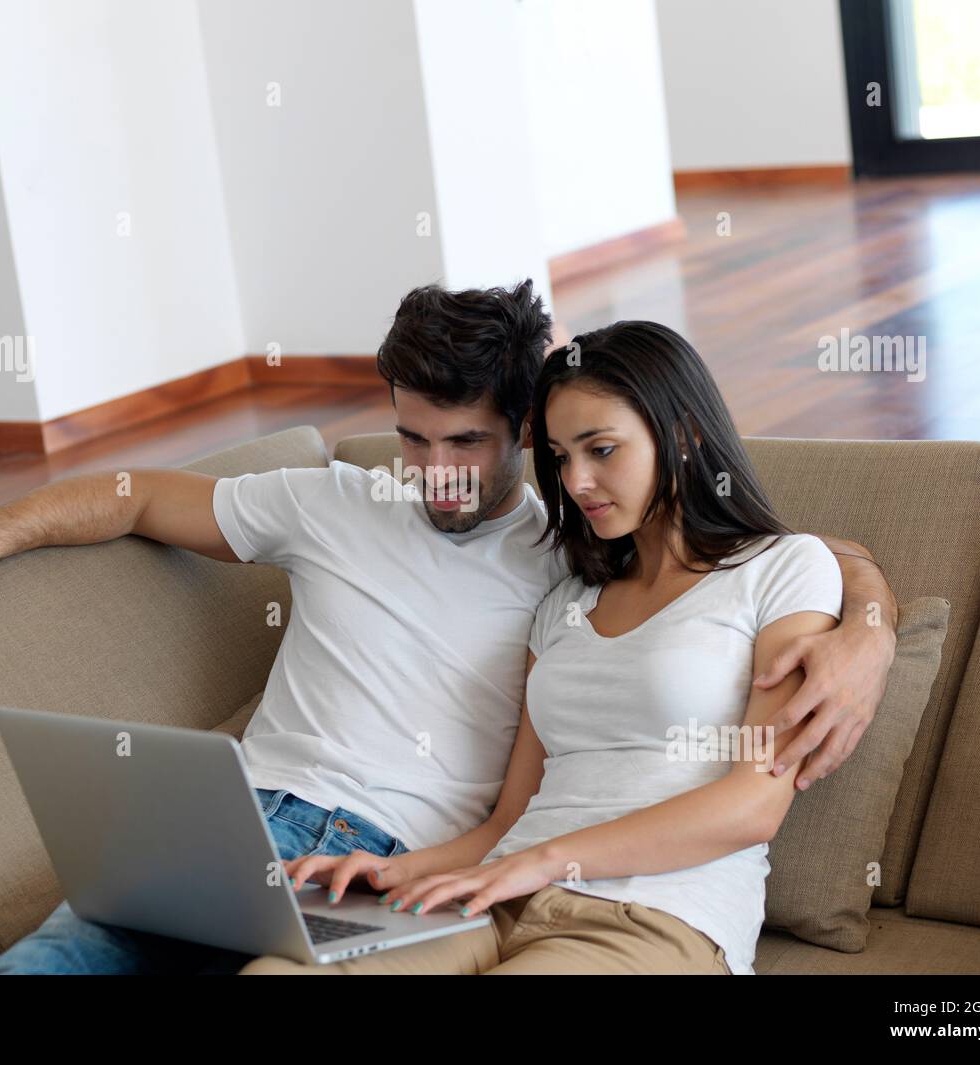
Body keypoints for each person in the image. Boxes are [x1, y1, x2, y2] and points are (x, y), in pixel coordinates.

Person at [0, 285, 897, 974]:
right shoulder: (518, 575)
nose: (431, 470)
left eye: (467, 442)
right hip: (278, 834)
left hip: (467, 869)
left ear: (522, 431)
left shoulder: (559, 552)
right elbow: (132, 493)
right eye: (409, 436)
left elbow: (773, 560)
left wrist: (872, 623)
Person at [240, 320, 877, 976]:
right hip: (492, 899)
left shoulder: (784, 569)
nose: (576, 482)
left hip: (653, 919)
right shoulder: (564, 603)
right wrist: (386, 870)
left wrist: (545, 859)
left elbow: (751, 807)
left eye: (602, 449)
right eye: (560, 456)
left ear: (682, 432)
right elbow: (507, 820)